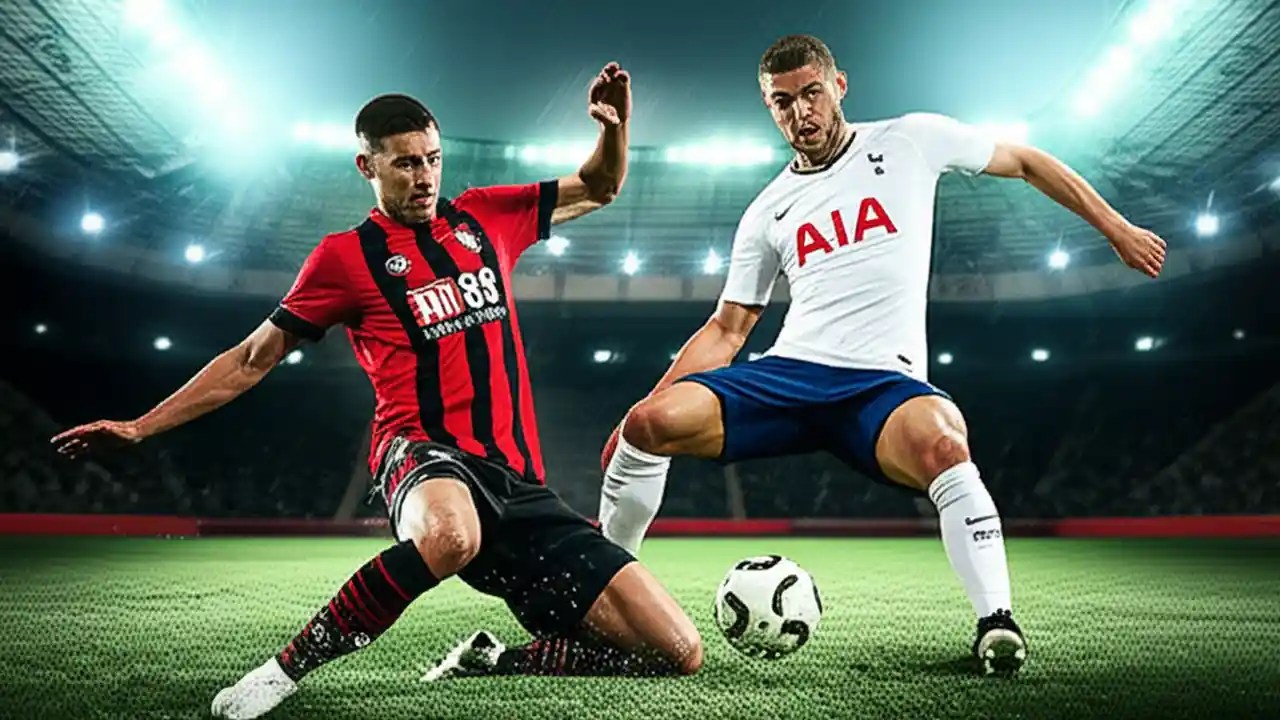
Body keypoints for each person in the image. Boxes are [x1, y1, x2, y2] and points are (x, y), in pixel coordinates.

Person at [51, 63, 702, 720]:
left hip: (519, 482)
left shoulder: (484, 218)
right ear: (368, 167)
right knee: (450, 537)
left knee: (676, 652)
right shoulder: (344, 259)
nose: (423, 177)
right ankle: (282, 672)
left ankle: (491, 660)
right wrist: (140, 427)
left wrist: (614, 129)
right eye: (405, 165)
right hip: (421, 455)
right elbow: (251, 359)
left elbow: (601, 185)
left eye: (432, 160)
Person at [596, 35, 1168, 677]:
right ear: (769, 107)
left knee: (946, 445)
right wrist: (635, 411)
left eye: (811, 93)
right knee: (648, 429)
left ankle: (996, 623)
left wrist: (1117, 229)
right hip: (792, 375)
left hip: (880, 386)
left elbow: (1027, 161)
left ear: (840, 86)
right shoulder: (766, 211)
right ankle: (607, 606)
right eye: (781, 102)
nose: (799, 113)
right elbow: (728, 331)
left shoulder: (910, 139)